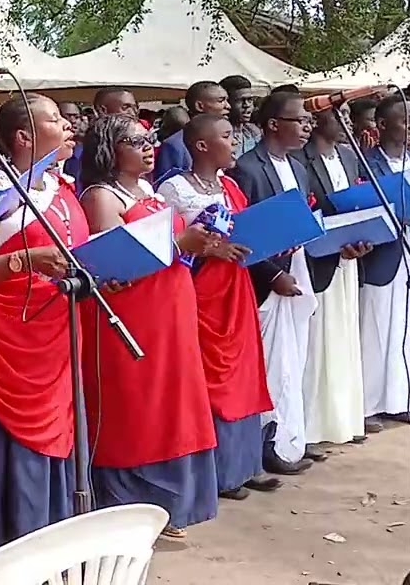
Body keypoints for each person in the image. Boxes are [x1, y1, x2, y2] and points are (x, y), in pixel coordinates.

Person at [0, 94, 81, 554]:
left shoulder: (62, 189)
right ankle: (4, 545)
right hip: (3, 337)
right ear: (24, 136)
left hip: (55, 333)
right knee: (3, 446)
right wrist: (23, 260)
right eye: (56, 119)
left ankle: (51, 538)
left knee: (57, 436)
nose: (68, 125)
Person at [78, 114, 221, 539]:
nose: (147, 147)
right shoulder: (102, 196)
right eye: (135, 140)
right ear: (110, 149)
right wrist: (181, 242)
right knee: (138, 404)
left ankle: (169, 504)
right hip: (131, 312)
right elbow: (114, 264)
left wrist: (198, 238)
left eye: (148, 139)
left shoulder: (149, 190)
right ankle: (129, 505)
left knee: (173, 402)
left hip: (170, 306)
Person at [156, 114, 279, 501]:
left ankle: (247, 464)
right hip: (200, 291)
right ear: (202, 145)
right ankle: (219, 471)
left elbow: (244, 230)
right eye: (226, 136)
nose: (234, 142)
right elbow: (168, 242)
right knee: (211, 375)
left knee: (243, 372)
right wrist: (211, 248)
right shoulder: (174, 189)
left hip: (235, 288)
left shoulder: (228, 186)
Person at [229, 90, 319, 474]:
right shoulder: (248, 168)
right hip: (266, 280)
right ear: (273, 124)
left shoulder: (298, 165)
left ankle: (291, 437)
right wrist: (273, 273)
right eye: (299, 120)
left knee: (294, 360)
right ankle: (267, 445)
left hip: (296, 266)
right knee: (271, 366)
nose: (307, 127)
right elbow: (241, 233)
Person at [298, 107, 373, 445]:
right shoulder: (302, 158)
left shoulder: (349, 154)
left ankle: (345, 418)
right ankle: (314, 425)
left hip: (349, 257)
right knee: (320, 341)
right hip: (320, 258)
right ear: (317, 122)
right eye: (337, 114)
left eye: (347, 113)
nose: (346, 119)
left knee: (345, 335)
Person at [359, 94, 410, 425]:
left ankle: (406, 399)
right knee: (376, 327)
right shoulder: (366, 164)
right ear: (383, 125)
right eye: (406, 121)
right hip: (382, 255)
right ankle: (370, 404)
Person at [154, 81, 230, 183]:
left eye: (227, 100)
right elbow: (164, 186)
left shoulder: (225, 138)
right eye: (221, 101)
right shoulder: (175, 146)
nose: (228, 106)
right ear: (199, 106)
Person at [221, 75, 262, 158]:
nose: (246, 105)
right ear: (227, 103)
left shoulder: (253, 133)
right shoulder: (220, 135)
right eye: (240, 100)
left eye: (250, 100)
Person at [58, 101, 86, 179]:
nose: (73, 121)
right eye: (67, 117)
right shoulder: (46, 152)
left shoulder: (86, 151)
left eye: (77, 117)